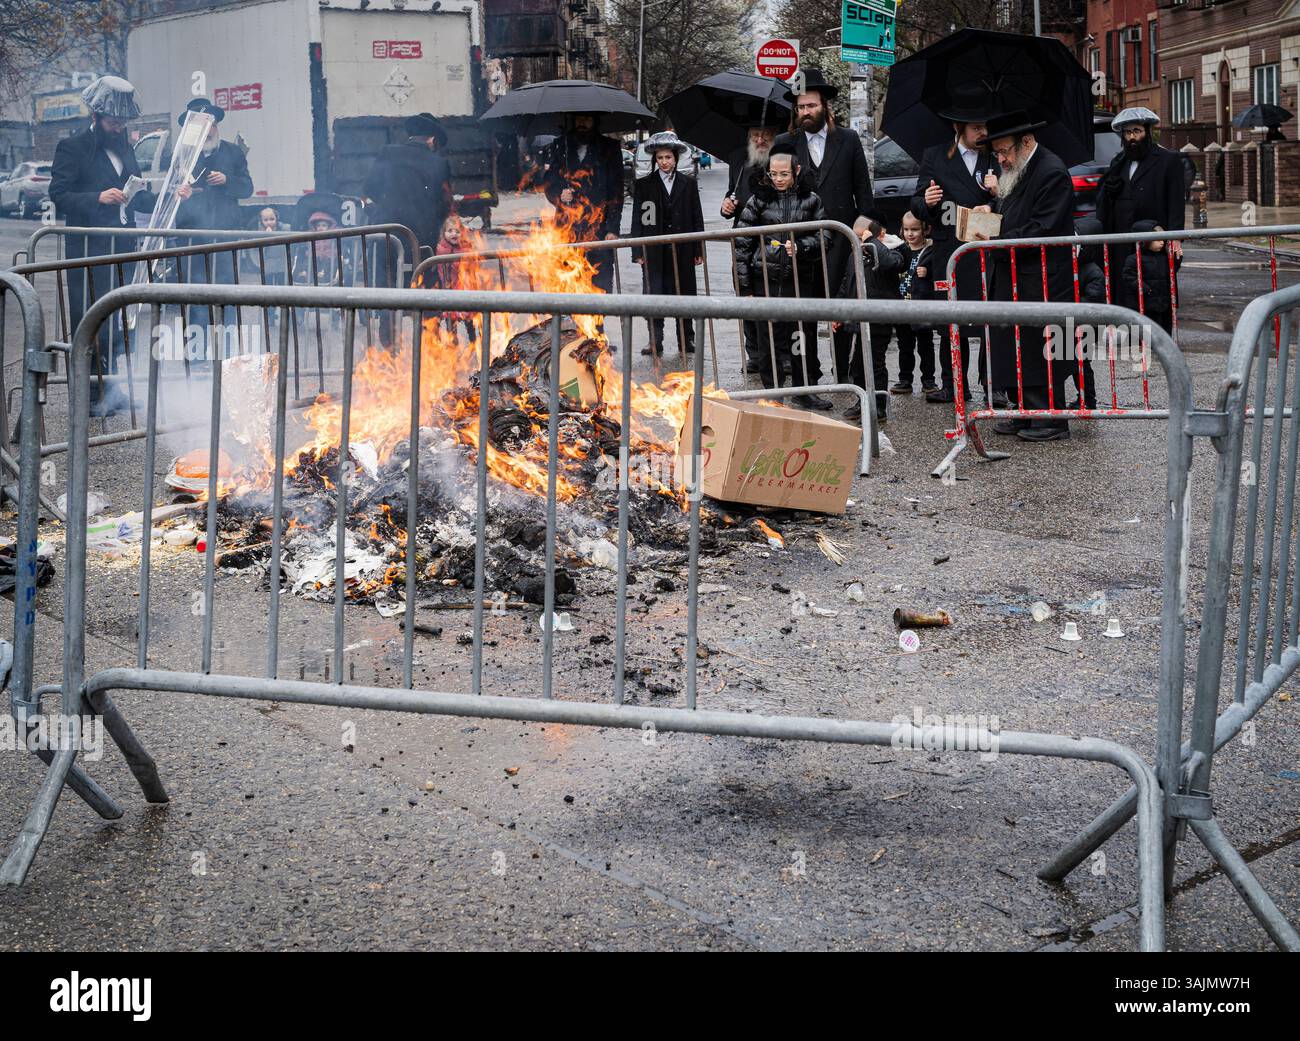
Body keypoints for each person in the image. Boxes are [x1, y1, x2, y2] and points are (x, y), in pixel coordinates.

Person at [48, 75, 185, 416]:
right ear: (96, 117)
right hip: (88, 252)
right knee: (91, 317)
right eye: (113, 122)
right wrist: (96, 196)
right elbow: (59, 195)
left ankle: (113, 388)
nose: (118, 127)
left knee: (121, 318)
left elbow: (134, 197)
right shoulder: (72, 147)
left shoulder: (125, 149)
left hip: (122, 249)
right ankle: (91, 393)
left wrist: (169, 197)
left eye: (122, 123)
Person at [971, 110, 1077, 443]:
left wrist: (996, 239)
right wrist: (991, 213)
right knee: (1013, 343)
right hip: (1013, 273)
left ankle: (1048, 417)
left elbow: (1042, 228)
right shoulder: (1019, 169)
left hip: (1040, 276)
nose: (1000, 159)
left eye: (1004, 151)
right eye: (997, 153)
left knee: (1037, 346)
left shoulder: (1051, 171)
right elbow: (1013, 214)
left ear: (1026, 141)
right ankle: (1023, 410)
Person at [774, 69, 874, 410]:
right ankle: (806, 385)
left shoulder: (847, 140)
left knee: (842, 312)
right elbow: (771, 191)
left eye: (811, 105)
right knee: (803, 315)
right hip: (799, 245)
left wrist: (859, 231)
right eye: (800, 107)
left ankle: (846, 374)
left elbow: (865, 195)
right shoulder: (784, 144)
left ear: (824, 106)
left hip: (840, 242)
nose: (805, 112)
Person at [908, 92, 997, 405]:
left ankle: (993, 386)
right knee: (951, 320)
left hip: (986, 247)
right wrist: (927, 203)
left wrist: (996, 195)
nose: (983, 133)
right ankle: (954, 383)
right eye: (976, 128)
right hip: (949, 249)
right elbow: (917, 202)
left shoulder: (995, 155)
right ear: (959, 128)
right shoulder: (935, 155)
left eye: (985, 127)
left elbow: (1011, 198)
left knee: (990, 318)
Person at [733, 142, 827, 397]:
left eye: (784, 174)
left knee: (802, 338)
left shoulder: (811, 199)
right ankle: (772, 393)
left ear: (796, 170)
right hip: (766, 279)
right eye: (773, 174)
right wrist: (745, 289)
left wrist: (802, 246)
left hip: (801, 279)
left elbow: (825, 235)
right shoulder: (758, 200)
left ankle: (805, 391)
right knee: (770, 339)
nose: (778, 179)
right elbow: (741, 244)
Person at [1096, 108, 1185, 304]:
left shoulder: (1168, 160)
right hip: (1123, 240)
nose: (1132, 137)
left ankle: (1156, 334)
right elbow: (1104, 205)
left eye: (1137, 131)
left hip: (1152, 240)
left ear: (1147, 132)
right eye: (1127, 133)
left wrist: (1175, 237)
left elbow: (1176, 201)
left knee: (1154, 295)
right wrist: (1109, 191)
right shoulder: (1119, 162)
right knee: (1125, 292)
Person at [631, 132, 704, 357]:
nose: (664, 162)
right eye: (660, 158)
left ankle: (686, 339)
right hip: (654, 249)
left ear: (676, 159)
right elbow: (639, 219)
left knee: (684, 293)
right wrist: (638, 250)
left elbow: (696, 217)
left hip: (682, 248)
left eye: (668, 158)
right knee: (654, 293)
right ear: (655, 160)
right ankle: (656, 340)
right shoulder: (645, 185)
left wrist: (697, 249)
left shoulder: (688, 184)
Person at [363, 112, 453, 287]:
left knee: (385, 284)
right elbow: (444, 203)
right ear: (432, 140)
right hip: (421, 239)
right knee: (420, 285)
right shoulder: (438, 163)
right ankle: (421, 314)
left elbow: (370, 189)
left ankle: (385, 314)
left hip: (386, 232)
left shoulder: (387, 153)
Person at [722, 123, 782, 375]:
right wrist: (726, 205)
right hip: (744, 240)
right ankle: (755, 354)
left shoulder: (781, 160)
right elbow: (732, 193)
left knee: (777, 299)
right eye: (755, 135)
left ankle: (782, 355)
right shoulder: (738, 158)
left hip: (772, 239)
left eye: (765, 135)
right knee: (746, 297)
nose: (760, 140)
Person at [543, 113, 624, 293]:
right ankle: (572, 319)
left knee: (599, 286)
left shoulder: (609, 148)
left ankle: (597, 322)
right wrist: (559, 194)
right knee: (568, 285)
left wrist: (612, 229)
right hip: (567, 230)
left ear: (595, 121)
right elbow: (548, 183)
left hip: (598, 228)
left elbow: (616, 193)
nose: (582, 123)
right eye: (578, 118)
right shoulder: (560, 147)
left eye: (587, 119)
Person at [833, 220, 902, 425]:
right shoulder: (855, 253)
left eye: (860, 236)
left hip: (878, 317)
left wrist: (872, 242)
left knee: (875, 363)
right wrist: (838, 312)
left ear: (879, 234)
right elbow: (847, 283)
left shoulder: (894, 249)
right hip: (858, 317)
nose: (856, 240)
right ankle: (862, 400)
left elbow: (891, 263)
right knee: (858, 365)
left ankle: (878, 405)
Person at [175, 98, 253, 231]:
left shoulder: (233, 151)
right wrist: (182, 192)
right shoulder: (181, 156)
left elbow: (247, 189)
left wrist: (227, 180)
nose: (208, 131)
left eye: (212, 125)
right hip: (192, 229)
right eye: (202, 126)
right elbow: (172, 190)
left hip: (226, 229)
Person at [892, 211, 937, 395]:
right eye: (907, 229)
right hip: (902, 307)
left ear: (925, 230)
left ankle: (929, 380)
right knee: (905, 346)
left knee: (926, 345)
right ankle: (905, 379)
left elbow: (940, 273)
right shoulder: (898, 249)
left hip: (921, 306)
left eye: (915, 229)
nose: (910, 234)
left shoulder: (931, 250)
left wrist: (928, 273)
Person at [1121, 219, 1183, 335]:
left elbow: (1171, 272)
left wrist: (1177, 259)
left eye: (1163, 240)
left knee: (1164, 329)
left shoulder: (1163, 257)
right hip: (1145, 301)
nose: (1162, 243)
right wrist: (1145, 289)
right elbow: (1129, 276)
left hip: (1162, 300)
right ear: (1146, 241)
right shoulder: (1134, 258)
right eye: (1158, 240)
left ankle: (1164, 346)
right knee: (1147, 328)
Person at [433, 214, 477, 344]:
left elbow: (470, 265)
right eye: (450, 231)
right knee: (450, 317)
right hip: (448, 288)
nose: (454, 234)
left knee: (468, 316)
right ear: (444, 233)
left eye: (457, 231)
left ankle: (473, 339)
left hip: (464, 287)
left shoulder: (465, 248)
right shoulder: (441, 249)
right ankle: (453, 339)